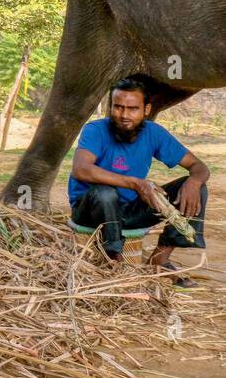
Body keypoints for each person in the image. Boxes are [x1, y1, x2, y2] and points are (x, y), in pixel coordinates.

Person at [68, 76, 209, 283]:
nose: (124, 115)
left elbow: (199, 167)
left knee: (196, 188)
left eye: (133, 109)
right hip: (90, 210)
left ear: (146, 110)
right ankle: (113, 260)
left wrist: (194, 183)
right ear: (110, 107)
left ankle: (160, 259)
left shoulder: (154, 133)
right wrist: (136, 183)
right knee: (106, 193)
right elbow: (81, 169)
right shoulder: (95, 130)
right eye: (118, 107)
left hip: (129, 210)